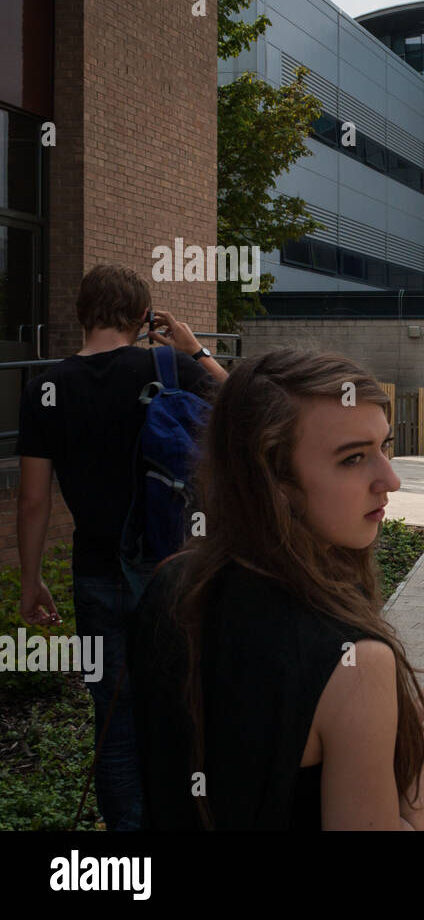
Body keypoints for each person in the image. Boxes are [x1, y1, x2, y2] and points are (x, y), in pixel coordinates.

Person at [127, 349, 424, 829]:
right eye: (353, 459)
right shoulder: (353, 659)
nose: (389, 479)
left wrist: (375, 728)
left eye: (384, 448)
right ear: (274, 479)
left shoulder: (173, 584)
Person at [16, 264, 229, 832]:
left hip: (95, 575)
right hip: (177, 573)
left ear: (80, 312)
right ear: (143, 316)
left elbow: (33, 500)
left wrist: (30, 579)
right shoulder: (171, 366)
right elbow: (251, 408)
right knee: (188, 711)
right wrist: (195, 349)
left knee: (112, 725)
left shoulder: (45, 387)